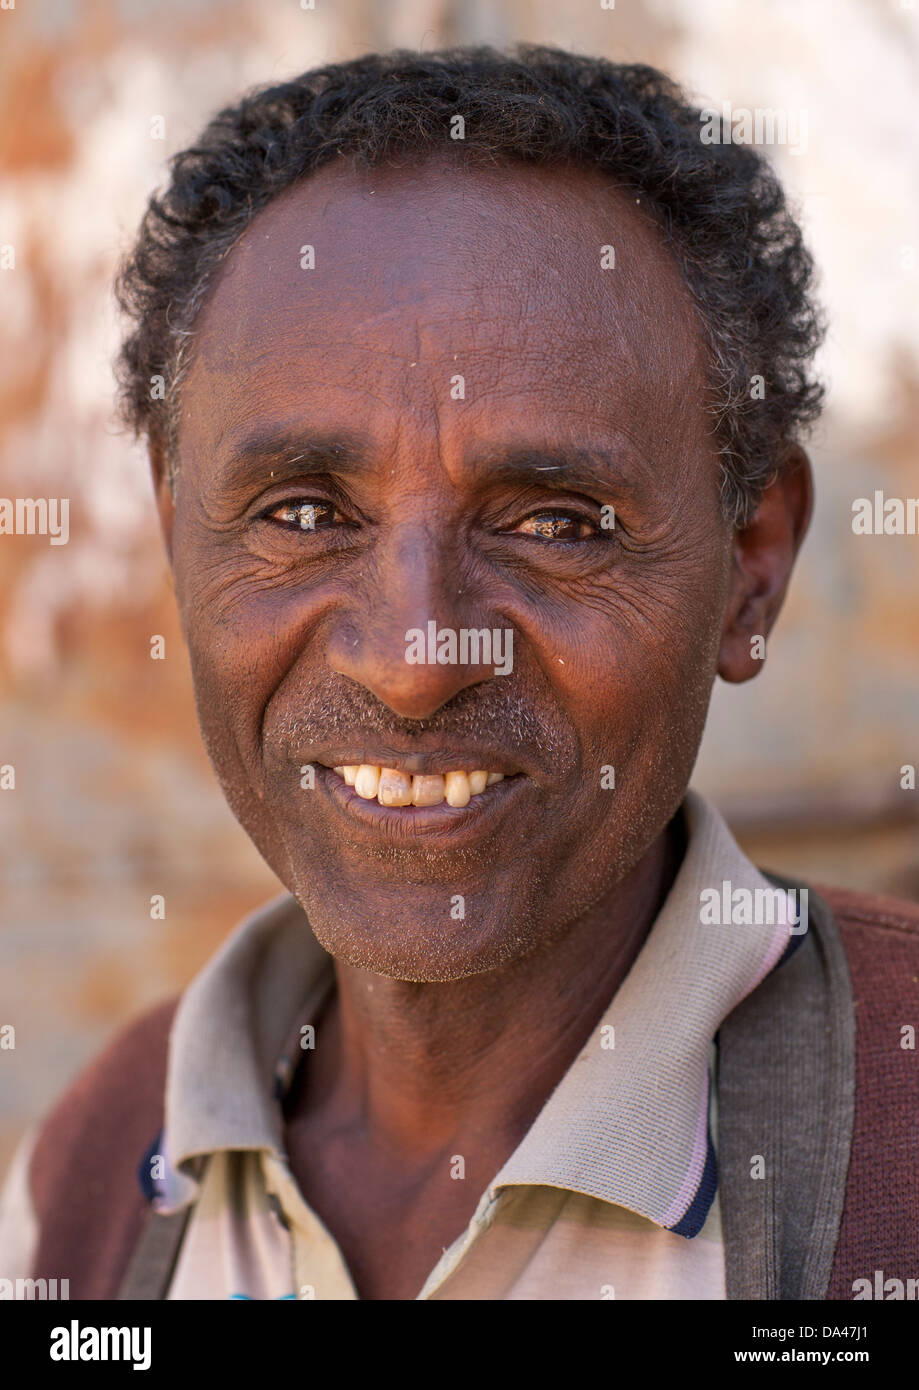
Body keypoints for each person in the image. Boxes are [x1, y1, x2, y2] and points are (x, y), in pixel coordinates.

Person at [1, 44, 916, 1303]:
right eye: (305, 513)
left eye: (554, 522)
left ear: (750, 563)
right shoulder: (94, 1178)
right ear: (177, 534)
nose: (416, 660)